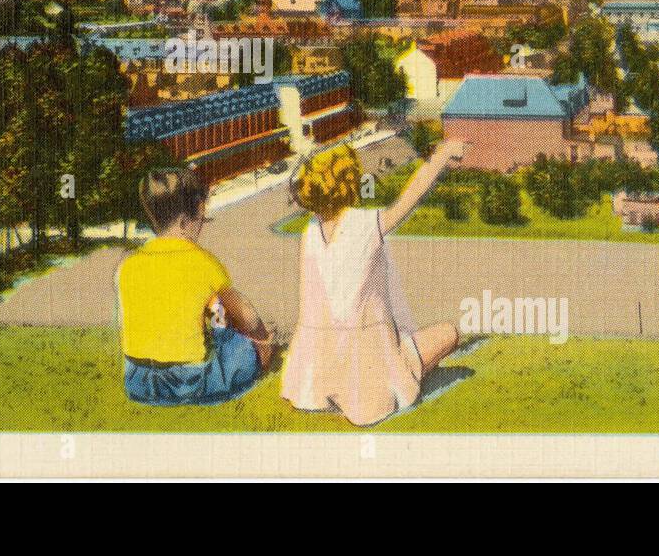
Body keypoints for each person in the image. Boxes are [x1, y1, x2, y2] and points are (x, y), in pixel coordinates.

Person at [281, 140, 466, 426]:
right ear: (349, 182)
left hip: (316, 371)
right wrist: (441, 156)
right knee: (449, 333)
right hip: (366, 371)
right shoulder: (367, 224)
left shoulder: (310, 233)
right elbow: (411, 196)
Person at [116, 166, 273, 406]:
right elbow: (247, 315)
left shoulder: (128, 265)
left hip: (137, 381)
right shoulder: (203, 262)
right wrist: (261, 340)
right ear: (183, 221)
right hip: (188, 381)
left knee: (212, 307)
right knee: (244, 347)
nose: (201, 226)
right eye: (200, 219)